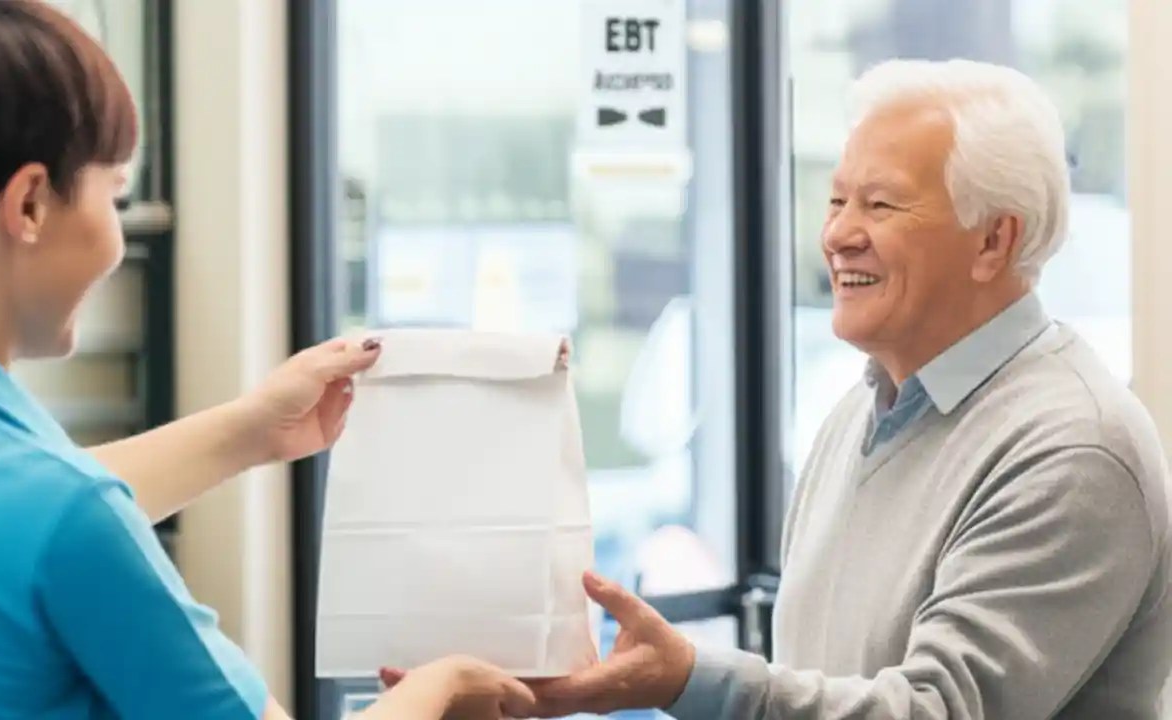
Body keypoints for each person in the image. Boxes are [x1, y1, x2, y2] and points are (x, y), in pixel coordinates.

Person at [464, 58, 1172, 718]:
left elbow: (933, 710)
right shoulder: (863, 412)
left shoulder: (1076, 449)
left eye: (881, 205)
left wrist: (689, 679)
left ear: (994, 241)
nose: (837, 234)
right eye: (836, 200)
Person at [0, 2, 533, 719]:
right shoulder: (59, 512)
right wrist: (442, 690)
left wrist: (254, 430)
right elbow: (50, 514)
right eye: (116, 193)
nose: (116, 235)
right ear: (32, 204)